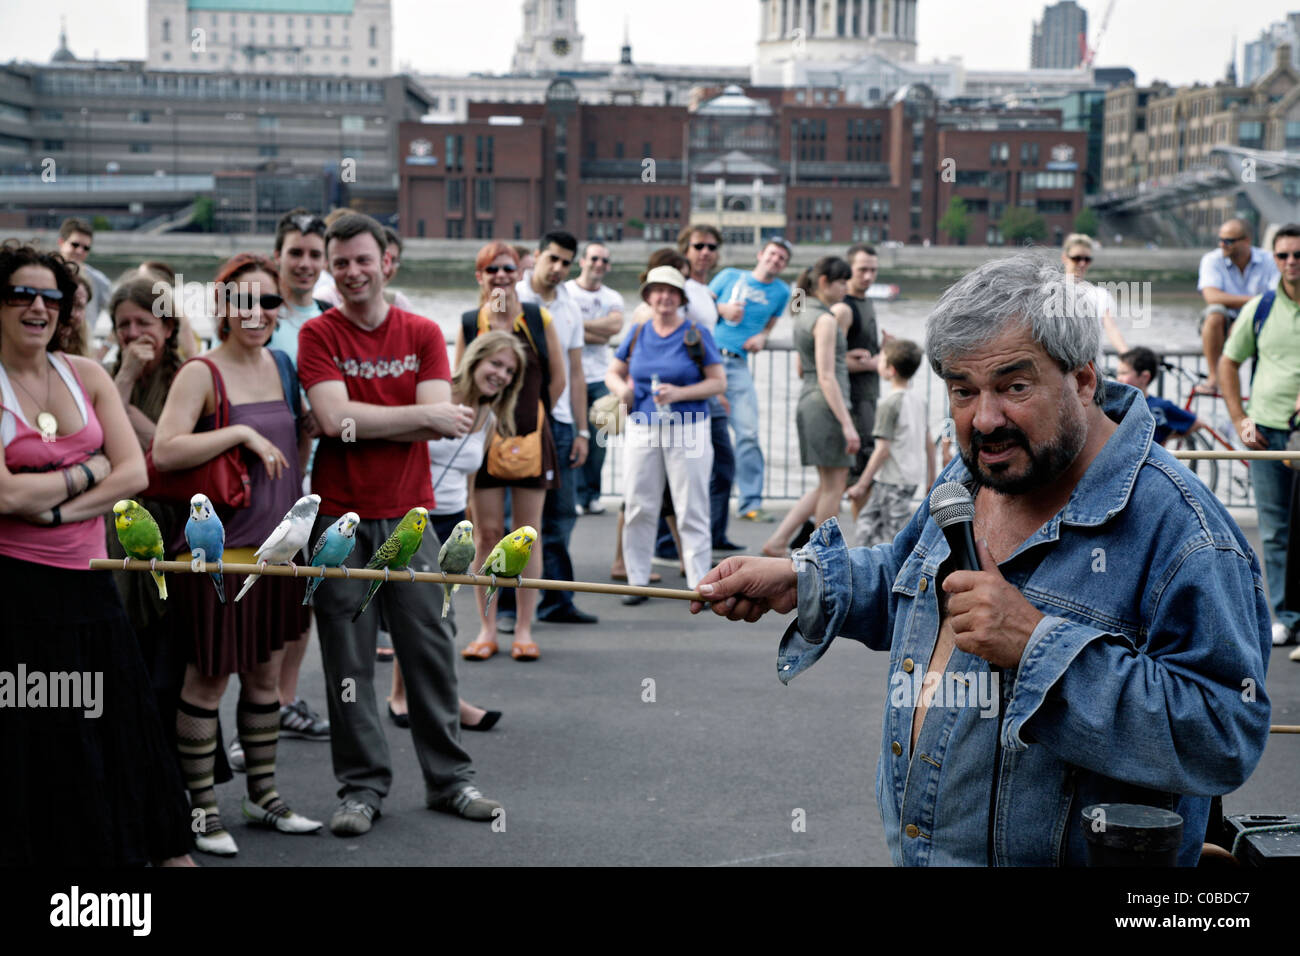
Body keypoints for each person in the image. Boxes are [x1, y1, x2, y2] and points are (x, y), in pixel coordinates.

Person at [693, 252, 1273, 867]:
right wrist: (805, 579)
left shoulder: (1187, 535)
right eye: (962, 391)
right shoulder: (975, 475)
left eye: (1014, 386)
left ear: (1082, 381)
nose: (985, 419)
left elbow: (1223, 735)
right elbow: (908, 577)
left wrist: (1036, 644)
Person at [301, 213, 503, 830]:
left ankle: (451, 782)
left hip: (411, 521)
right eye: (340, 264)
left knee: (431, 654)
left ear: (388, 261)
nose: (352, 272)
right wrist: (416, 418)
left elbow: (437, 416)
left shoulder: (420, 332)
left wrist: (370, 418)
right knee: (349, 664)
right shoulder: (318, 334)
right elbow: (338, 423)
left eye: (363, 260)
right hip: (338, 522)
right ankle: (361, 789)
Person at [0, 240, 193, 866]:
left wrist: (51, 505)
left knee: (117, 726)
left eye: (50, 296)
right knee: (34, 733)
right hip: (14, 590)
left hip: (88, 583)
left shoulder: (84, 377)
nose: (38, 306)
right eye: (20, 294)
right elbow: (3, 494)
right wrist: (90, 472)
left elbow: (135, 473)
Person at [152, 252, 321, 855]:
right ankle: (202, 813)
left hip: (279, 553)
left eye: (269, 302)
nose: (257, 313)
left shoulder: (282, 363)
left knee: (266, 676)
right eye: (244, 301)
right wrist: (240, 433)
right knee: (207, 679)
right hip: (223, 555)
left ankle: (264, 798)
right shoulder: (202, 372)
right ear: (222, 306)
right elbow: (164, 452)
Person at [386, 330, 524, 732]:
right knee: (429, 617)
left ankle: (405, 696)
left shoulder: (489, 417)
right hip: (415, 519)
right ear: (476, 358)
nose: (500, 375)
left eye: (509, 371)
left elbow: (469, 480)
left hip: (450, 524)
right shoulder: (436, 396)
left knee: (429, 615)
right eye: (495, 364)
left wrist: (470, 524)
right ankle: (436, 701)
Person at [457, 241, 565, 661]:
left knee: (526, 536)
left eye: (507, 269)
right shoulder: (470, 323)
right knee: (484, 534)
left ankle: (523, 628)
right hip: (483, 442)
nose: (500, 276)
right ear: (480, 277)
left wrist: (533, 419)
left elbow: (555, 379)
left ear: (519, 273)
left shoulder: (538, 318)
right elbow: (461, 384)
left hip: (531, 437)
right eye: (491, 270)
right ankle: (487, 629)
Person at [103, 276, 193, 767]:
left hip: (175, 530)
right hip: (117, 533)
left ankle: (175, 775)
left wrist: (136, 420)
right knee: (123, 660)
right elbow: (97, 435)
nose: (133, 333)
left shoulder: (189, 377)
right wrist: (123, 378)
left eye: (144, 322)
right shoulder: (104, 377)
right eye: (123, 325)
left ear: (168, 325)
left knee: (169, 667)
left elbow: (174, 452)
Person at [605, 265, 724, 603]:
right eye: (658, 290)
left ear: (681, 298)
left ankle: (700, 586)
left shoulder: (696, 333)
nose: (664, 297)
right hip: (643, 426)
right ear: (648, 296)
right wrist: (621, 392)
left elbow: (718, 382)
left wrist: (679, 393)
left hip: (689, 427)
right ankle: (637, 581)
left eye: (671, 291)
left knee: (692, 507)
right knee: (639, 504)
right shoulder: (639, 331)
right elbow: (614, 371)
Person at [266, 208, 333, 743]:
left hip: (319, 476)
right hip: (266, 479)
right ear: (277, 257)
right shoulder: (260, 316)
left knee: (303, 595)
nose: (306, 263)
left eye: (315, 254)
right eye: (296, 253)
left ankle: (286, 699)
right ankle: (258, 710)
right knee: (263, 596)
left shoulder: (330, 317)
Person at [1218, 223, 1300, 647]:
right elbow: (1229, 362)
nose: (1291, 263)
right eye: (1283, 255)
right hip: (1268, 432)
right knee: (1275, 529)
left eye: (1298, 255)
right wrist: (1239, 418)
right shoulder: (1261, 307)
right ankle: (1286, 615)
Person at [515, 230, 598, 626]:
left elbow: (578, 374)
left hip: (562, 425)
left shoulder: (570, 305)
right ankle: (511, 609)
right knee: (518, 522)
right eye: (552, 259)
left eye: (566, 262)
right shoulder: (511, 297)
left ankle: (557, 601)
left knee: (562, 517)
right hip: (519, 425)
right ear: (536, 256)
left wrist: (583, 431)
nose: (558, 268)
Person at [762, 257, 860, 557]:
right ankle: (824, 554)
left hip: (810, 401)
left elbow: (802, 369)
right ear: (823, 283)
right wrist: (847, 424)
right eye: (841, 282)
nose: (846, 287)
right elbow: (827, 376)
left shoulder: (803, 315)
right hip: (827, 405)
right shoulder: (826, 320)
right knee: (834, 487)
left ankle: (778, 542)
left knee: (826, 484)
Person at [709, 237, 792, 523]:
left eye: (781, 258)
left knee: (748, 434)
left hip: (737, 364)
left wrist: (763, 336)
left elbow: (772, 322)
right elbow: (697, 307)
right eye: (772, 254)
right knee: (699, 434)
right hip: (705, 362)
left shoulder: (782, 292)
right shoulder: (730, 275)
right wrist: (723, 310)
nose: (775, 260)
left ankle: (749, 503)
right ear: (760, 254)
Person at [678, 225, 743, 552]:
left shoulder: (706, 293)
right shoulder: (682, 290)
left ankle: (714, 535)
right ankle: (668, 542)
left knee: (721, 465)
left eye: (712, 247)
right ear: (685, 250)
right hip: (687, 391)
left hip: (708, 389)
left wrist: (718, 388)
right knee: (685, 468)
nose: (705, 252)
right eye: (698, 246)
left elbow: (708, 343)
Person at [846, 339, 936, 547]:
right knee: (866, 526)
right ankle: (864, 566)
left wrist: (861, 484)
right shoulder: (918, 400)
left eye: (882, 359)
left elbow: (882, 450)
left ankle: (904, 573)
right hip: (908, 477)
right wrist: (931, 477)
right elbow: (928, 442)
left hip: (893, 479)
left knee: (897, 535)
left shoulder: (889, 404)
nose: (877, 361)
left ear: (890, 370)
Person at [567, 241, 624, 516]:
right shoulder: (565, 291)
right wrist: (596, 330)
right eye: (594, 259)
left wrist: (576, 325)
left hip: (603, 379)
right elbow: (559, 328)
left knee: (600, 442)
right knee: (574, 437)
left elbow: (614, 327)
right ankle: (575, 496)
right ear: (582, 261)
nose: (598, 264)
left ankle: (593, 495)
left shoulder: (612, 296)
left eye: (604, 260)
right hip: (571, 377)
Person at [1198, 218, 1278, 394]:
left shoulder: (1270, 260)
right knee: (1214, 314)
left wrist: (1245, 317)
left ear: (1247, 241)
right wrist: (1256, 300)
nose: (1222, 245)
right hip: (1225, 321)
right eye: (1220, 240)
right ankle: (1214, 378)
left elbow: (1276, 298)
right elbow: (1212, 297)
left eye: (1228, 241)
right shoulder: (1212, 260)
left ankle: (1259, 390)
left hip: (1259, 319)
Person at [843, 243, 883, 528]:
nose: (868, 276)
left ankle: (782, 538)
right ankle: (862, 537)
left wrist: (885, 349)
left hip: (870, 395)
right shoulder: (844, 307)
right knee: (859, 468)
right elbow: (828, 360)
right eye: (862, 270)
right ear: (849, 270)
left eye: (873, 270)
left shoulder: (866, 301)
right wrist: (873, 363)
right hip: (854, 398)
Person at [1115, 347, 1208, 447]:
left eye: (1124, 373)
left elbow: (1197, 423)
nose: (1118, 378)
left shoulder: (1160, 407)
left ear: (1144, 377)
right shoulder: (1116, 404)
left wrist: (1165, 437)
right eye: (1118, 373)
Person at [1061, 233, 1128, 367]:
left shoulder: (1101, 295)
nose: (1082, 263)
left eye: (1087, 259)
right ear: (1065, 258)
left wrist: (1127, 355)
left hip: (1091, 373)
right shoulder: (1048, 292)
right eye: (1077, 258)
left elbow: (1111, 328)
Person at [57, 217, 110, 337]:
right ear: (61, 242)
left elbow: (118, 314)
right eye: (75, 245)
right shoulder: (45, 276)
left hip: (83, 347)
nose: (80, 251)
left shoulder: (99, 281)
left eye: (86, 248)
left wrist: (103, 349)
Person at [381, 227, 416, 312]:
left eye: (393, 261)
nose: (387, 268)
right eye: (383, 259)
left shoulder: (399, 305)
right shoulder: (343, 303)